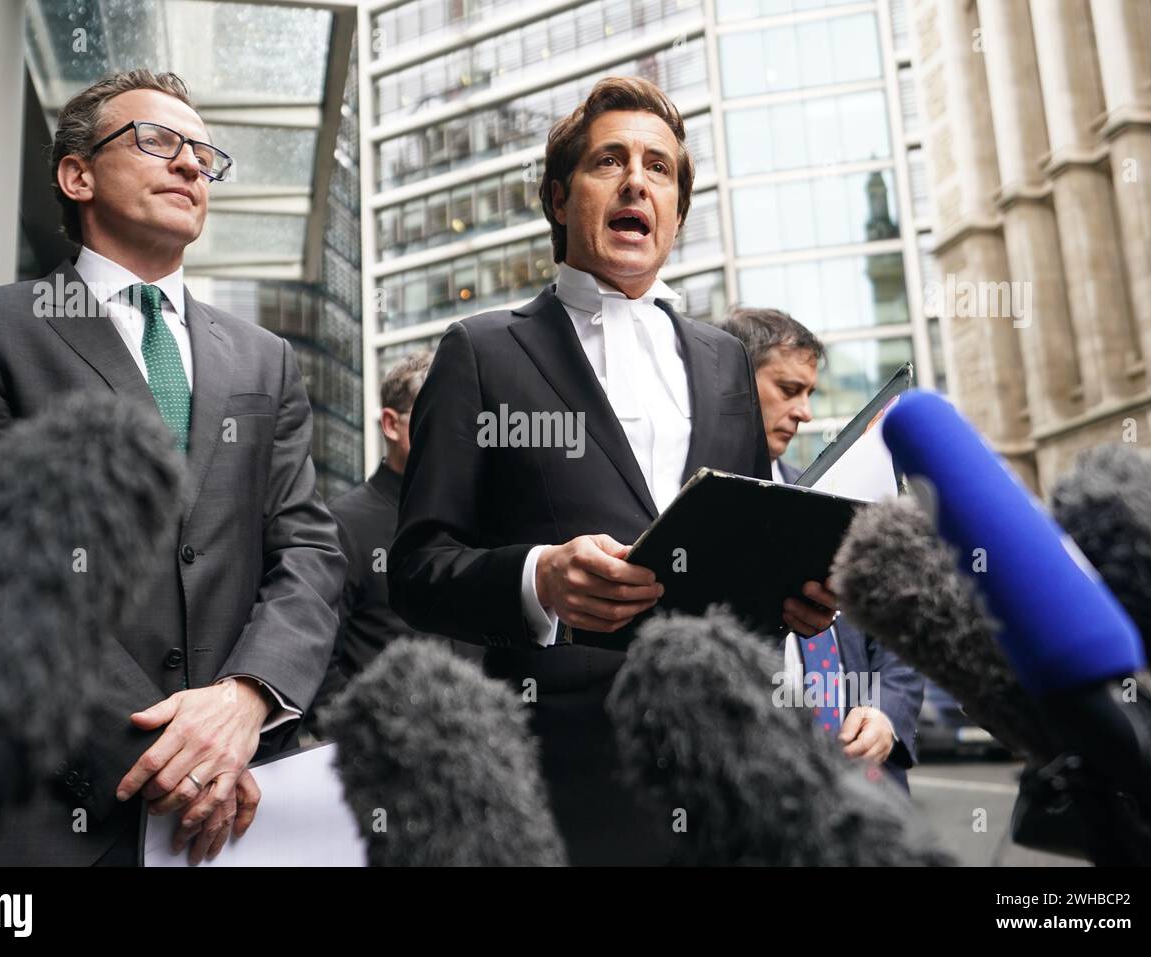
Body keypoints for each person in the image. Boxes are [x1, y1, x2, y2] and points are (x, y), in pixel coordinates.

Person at [388, 76, 840, 864]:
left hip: (729, 773)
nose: (638, 180)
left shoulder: (725, 358)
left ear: (675, 212)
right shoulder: (480, 350)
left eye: (659, 168)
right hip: (562, 777)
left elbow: (746, 549)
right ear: (561, 198)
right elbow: (419, 568)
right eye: (610, 161)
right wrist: (540, 579)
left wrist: (797, 593)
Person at [0, 69, 345, 865]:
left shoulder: (265, 360)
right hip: (53, 810)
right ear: (76, 175)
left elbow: (308, 555)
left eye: (204, 154)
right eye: (158, 141)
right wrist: (170, 757)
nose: (189, 165)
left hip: (238, 814)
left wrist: (246, 701)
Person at [718, 306, 925, 790]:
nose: (805, 411)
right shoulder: (690, 508)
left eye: (810, 393)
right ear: (730, 382)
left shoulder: (833, 498)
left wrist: (886, 715)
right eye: (788, 389)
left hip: (866, 795)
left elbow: (897, 633)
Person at [307, 351, 480, 735]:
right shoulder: (341, 525)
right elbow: (317, 670)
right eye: (434, 415)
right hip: (385, 770)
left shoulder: (482, 518)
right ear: (390, 423)